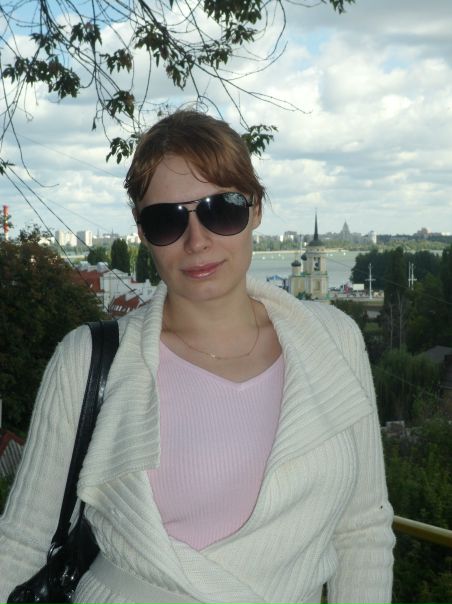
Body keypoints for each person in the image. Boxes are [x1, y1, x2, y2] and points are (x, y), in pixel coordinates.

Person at [0, 109, 395, 604]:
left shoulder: (332, 342)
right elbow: (23, 541)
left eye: (220, 209)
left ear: (255, 209)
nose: (197, 240)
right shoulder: (88, 359)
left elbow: (362, 531)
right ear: (142, 232)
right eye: (166, 219)